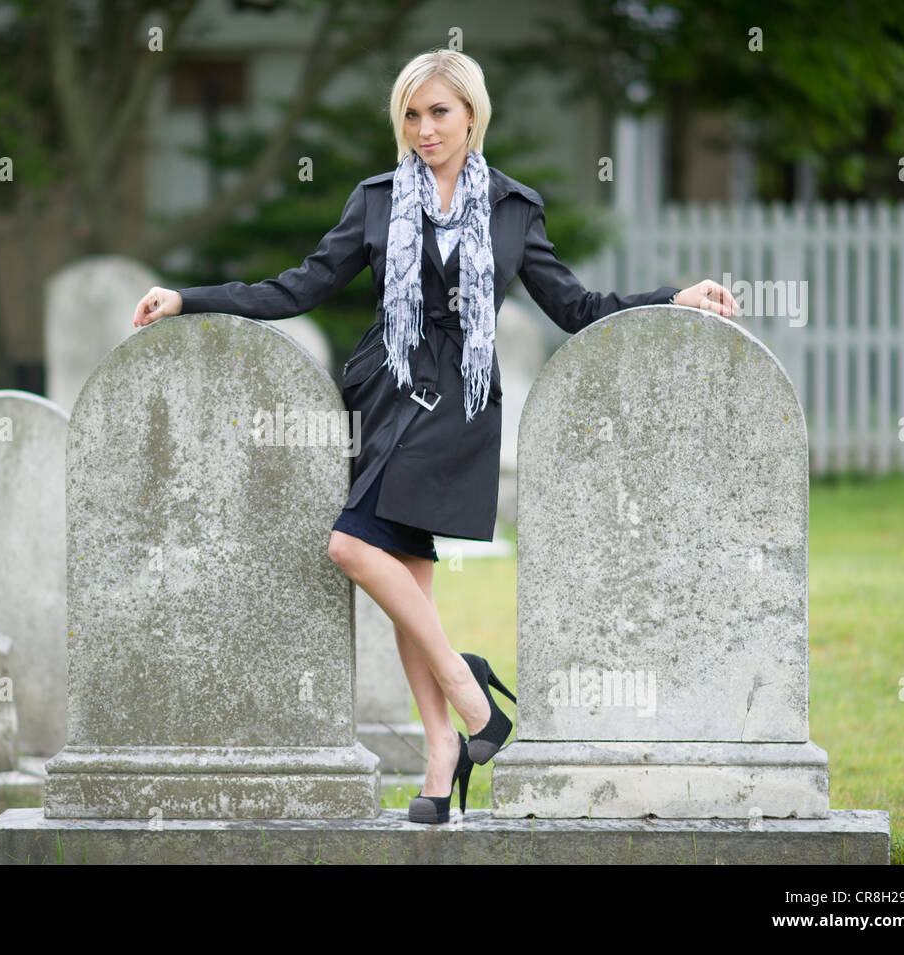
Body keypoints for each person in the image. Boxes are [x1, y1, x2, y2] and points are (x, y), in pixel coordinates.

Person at [132, 49, 738, 824]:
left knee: (351, 547)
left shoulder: (515, 207)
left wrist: (671, 297)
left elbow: (576, 306)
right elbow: (301, 284)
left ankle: (465, 689)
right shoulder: (377, 199)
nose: (424, 129)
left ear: (472, 116)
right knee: (408, 584)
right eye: (412, 115)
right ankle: (441, 753)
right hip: (383, 397)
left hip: (459, 408)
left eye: (439, 113)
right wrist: (188, 296)